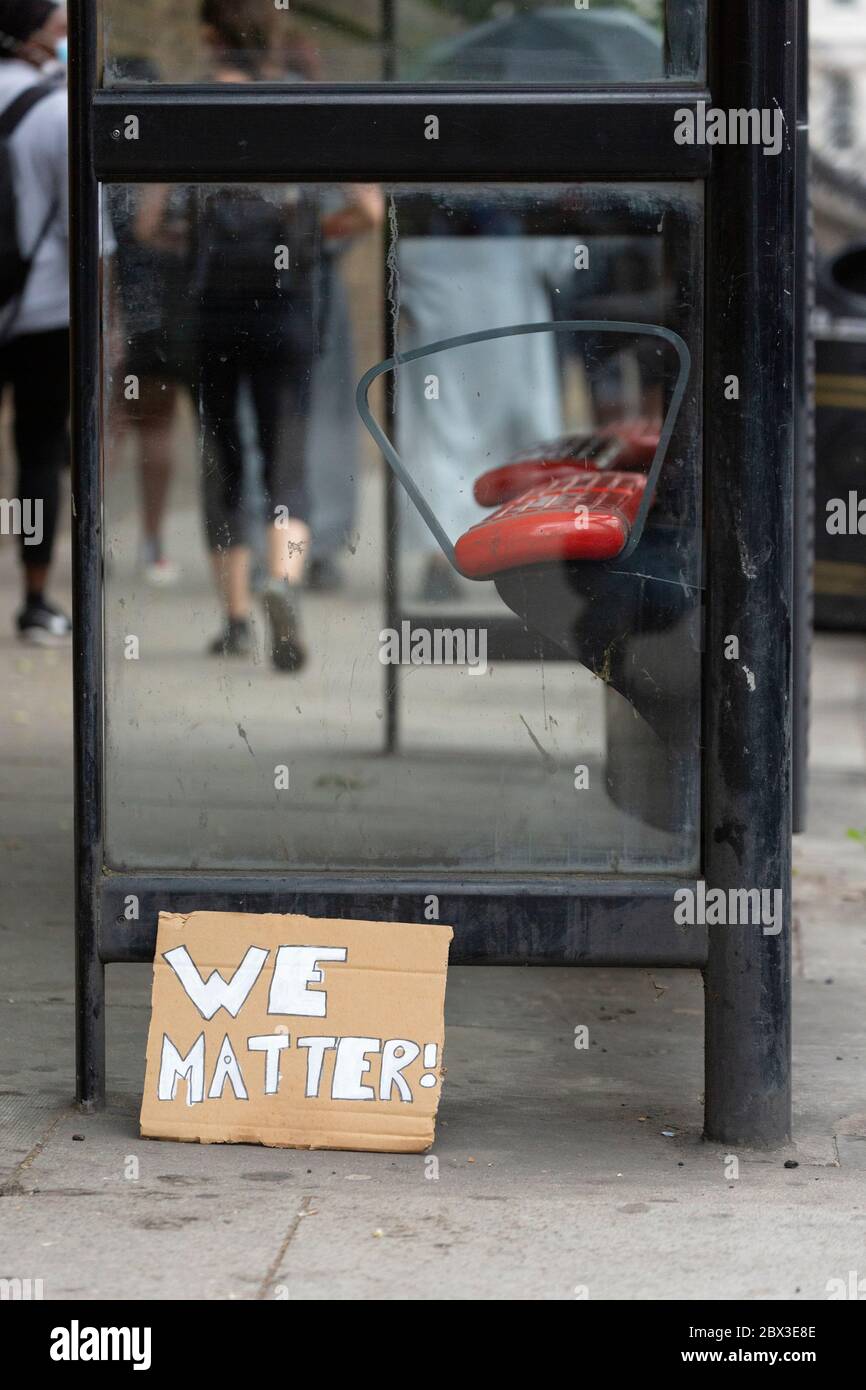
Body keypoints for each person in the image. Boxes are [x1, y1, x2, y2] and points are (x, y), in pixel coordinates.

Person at [0, 0, 70, 643]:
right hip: (43, 312)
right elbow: (90, 237)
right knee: (38, 457)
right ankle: (35, 599)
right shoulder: (55, 111)